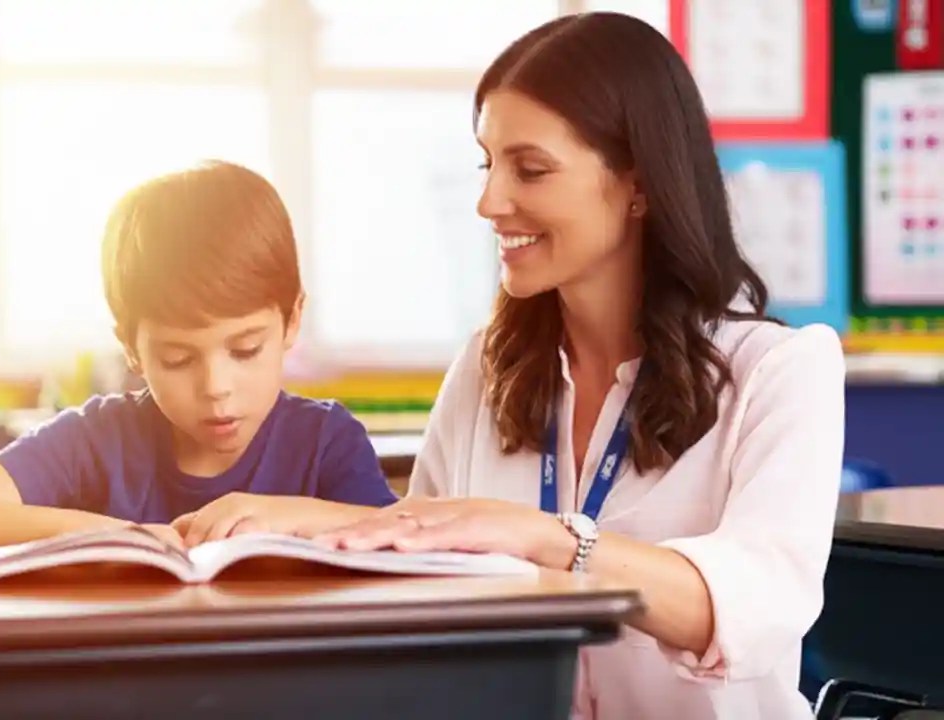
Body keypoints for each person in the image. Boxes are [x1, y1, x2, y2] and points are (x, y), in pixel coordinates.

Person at [317, 13, 844, 720]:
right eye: (488, 163)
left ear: (638, 185)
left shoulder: (779, 371)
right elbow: (425, 577)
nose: (489, 202)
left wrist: (546, 539)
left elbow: (757, 602)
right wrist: (290, 528)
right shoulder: (485, 369)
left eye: (529, 169)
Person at [0, 160, 397, 557]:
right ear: (131, 348)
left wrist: (290, 517)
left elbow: (406, 544)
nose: (216, 386)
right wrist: (108, 534)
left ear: (292, 321)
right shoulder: (97, 441)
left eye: (245, 350)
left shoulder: (327, 443)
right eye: (177, 358)